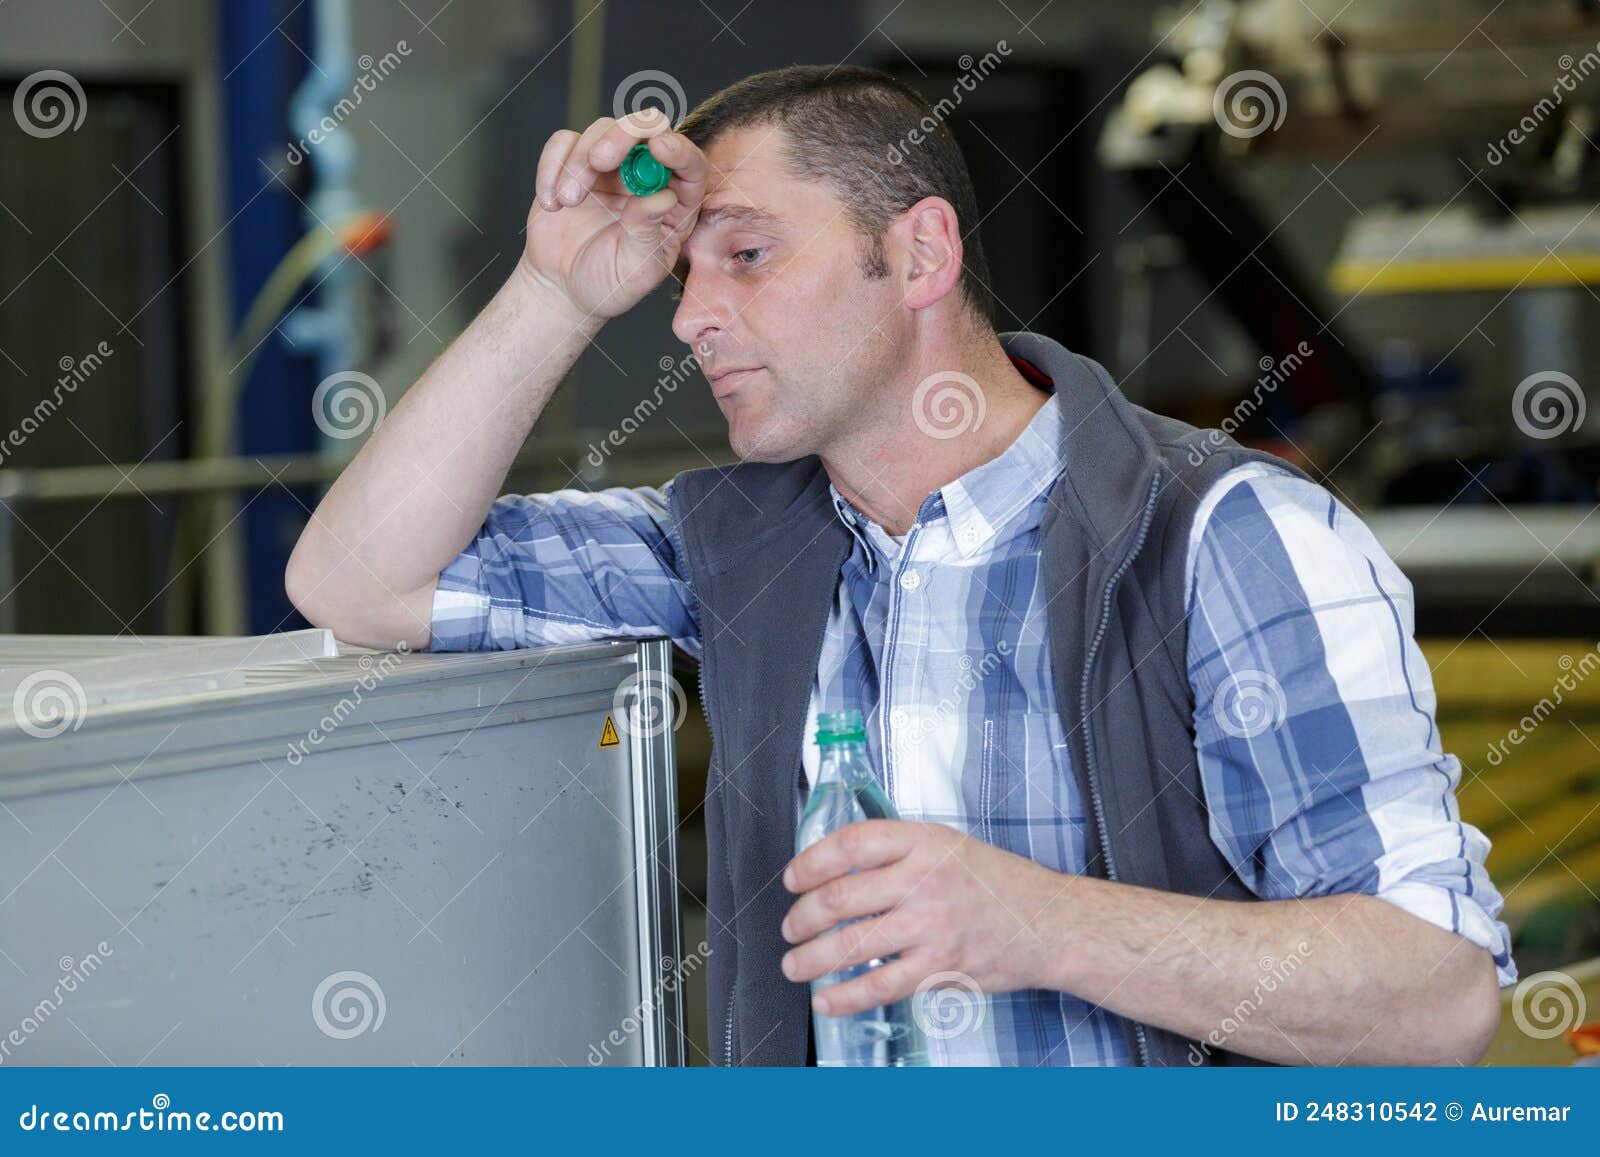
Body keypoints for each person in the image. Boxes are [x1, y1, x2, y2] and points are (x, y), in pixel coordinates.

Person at [286, 65, 1515, 1067]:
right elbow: (358, 579)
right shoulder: (731, 546)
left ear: (920, 254)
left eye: (748, 256)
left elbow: (1437, 995)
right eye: (682, 270)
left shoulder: (1227, 539)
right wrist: (554, 291)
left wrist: (1037, 922)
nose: (689, 316)